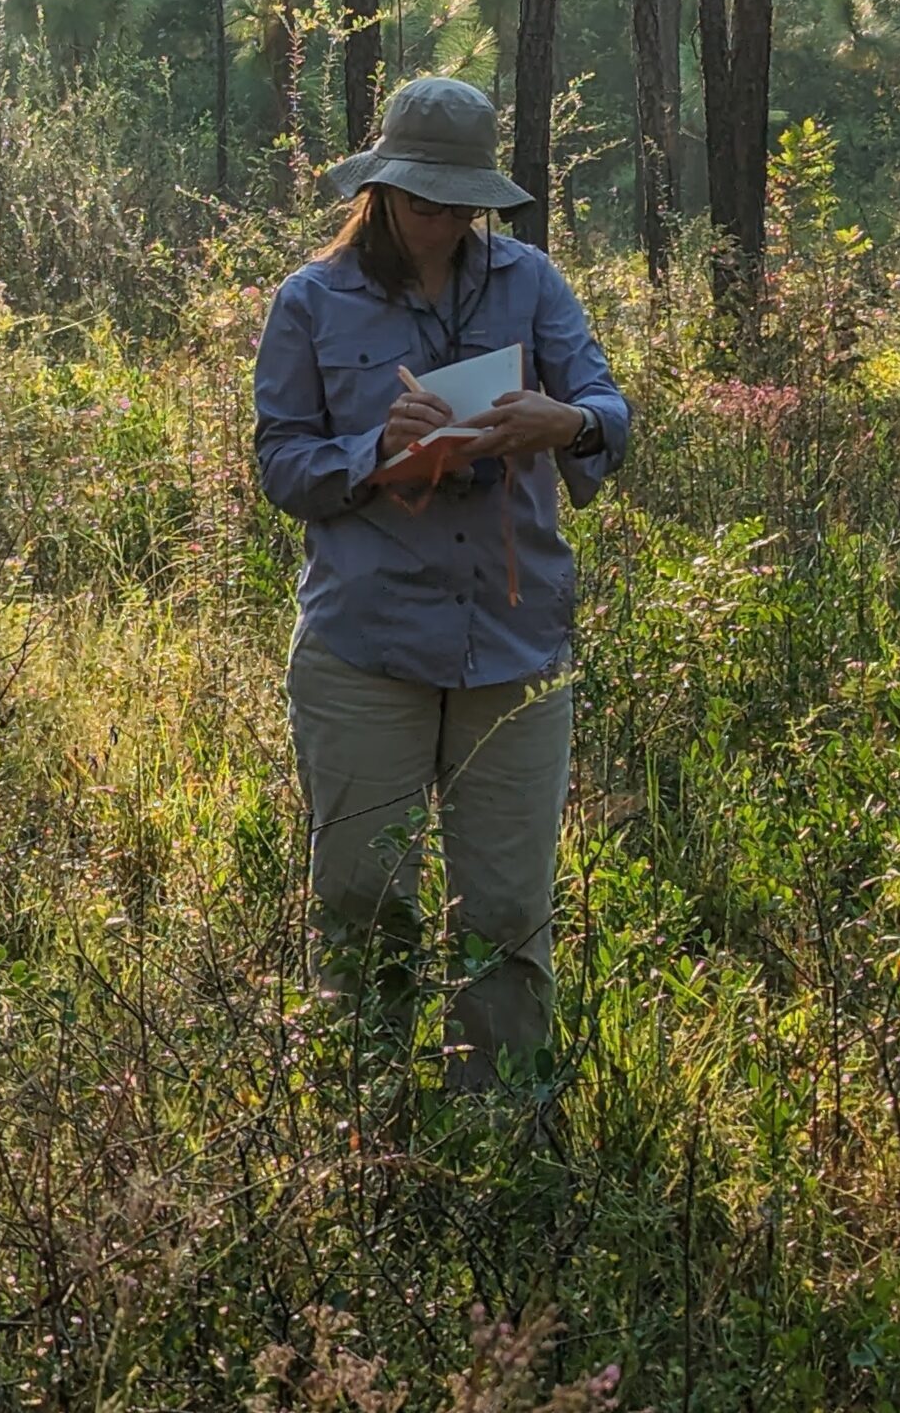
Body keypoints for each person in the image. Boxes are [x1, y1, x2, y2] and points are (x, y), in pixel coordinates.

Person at [253, 75, 629, 1086]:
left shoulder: (529, 282)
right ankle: (367, 1126)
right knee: (363, 896)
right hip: (363, 645)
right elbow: (281, 463)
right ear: (378, 189)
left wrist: (570, 423)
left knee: (506, 910)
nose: (447, 220)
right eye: (427, 199)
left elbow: (604, 401)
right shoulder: (310, 300)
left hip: (510, 640)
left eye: (465, 202)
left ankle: (499, 1132)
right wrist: (373, 451)